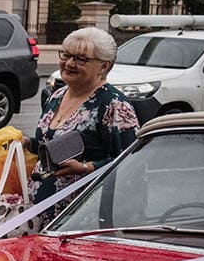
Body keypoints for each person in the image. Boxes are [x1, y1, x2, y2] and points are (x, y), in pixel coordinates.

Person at [25, 26, 138, 218]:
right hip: (43, 212)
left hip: (81, 216)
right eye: (65, 55)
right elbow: (52, 146)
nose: (69, 63)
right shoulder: (58, 95)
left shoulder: (113, 104)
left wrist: (85, 168)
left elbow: (131, 161)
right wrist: (28, 143)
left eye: (80, 59)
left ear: (104, 66)